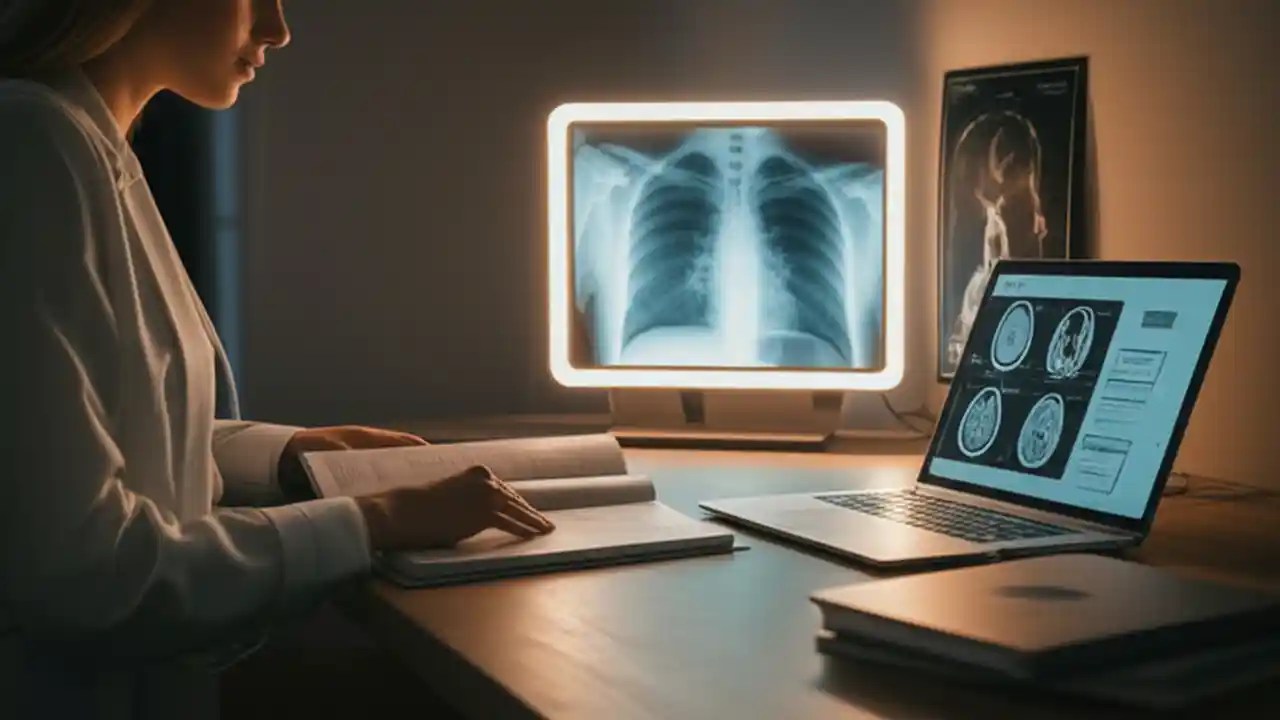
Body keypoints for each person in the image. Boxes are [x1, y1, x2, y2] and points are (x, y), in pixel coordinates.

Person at [0, 2, 554, 717]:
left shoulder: (87, 141)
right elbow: (87, 574)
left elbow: (93, 432)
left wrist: (288, 454)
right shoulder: (31, 146)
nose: (277, 29)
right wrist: (373, 519)